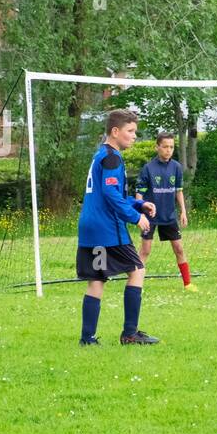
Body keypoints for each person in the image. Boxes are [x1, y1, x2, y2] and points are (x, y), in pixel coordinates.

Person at [77, 109, 159, 345]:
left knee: (97, 279)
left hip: (91, 229)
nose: (134, 136)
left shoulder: (100, 155)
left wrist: (139, 203)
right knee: (137, 269)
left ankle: (87, 339)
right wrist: (135, 217)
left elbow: (110, 192)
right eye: (130, 131)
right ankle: (130, 334)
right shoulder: (113, 157)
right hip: (107, 229)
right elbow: (111, 193)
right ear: (115, 131)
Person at [136, 130, 193, 290]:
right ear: (157, 147)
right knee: (145, 251)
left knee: (179, 249)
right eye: (165, 147)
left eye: (171, 147)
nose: (168, 150)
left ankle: (188, 284)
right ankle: (136, 284)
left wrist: (183, 211)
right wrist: (140, 215)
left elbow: (178, 191)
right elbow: (139, 193)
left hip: (169, 215)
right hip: (150, 216)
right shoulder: (148, 168)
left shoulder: (176, 167)